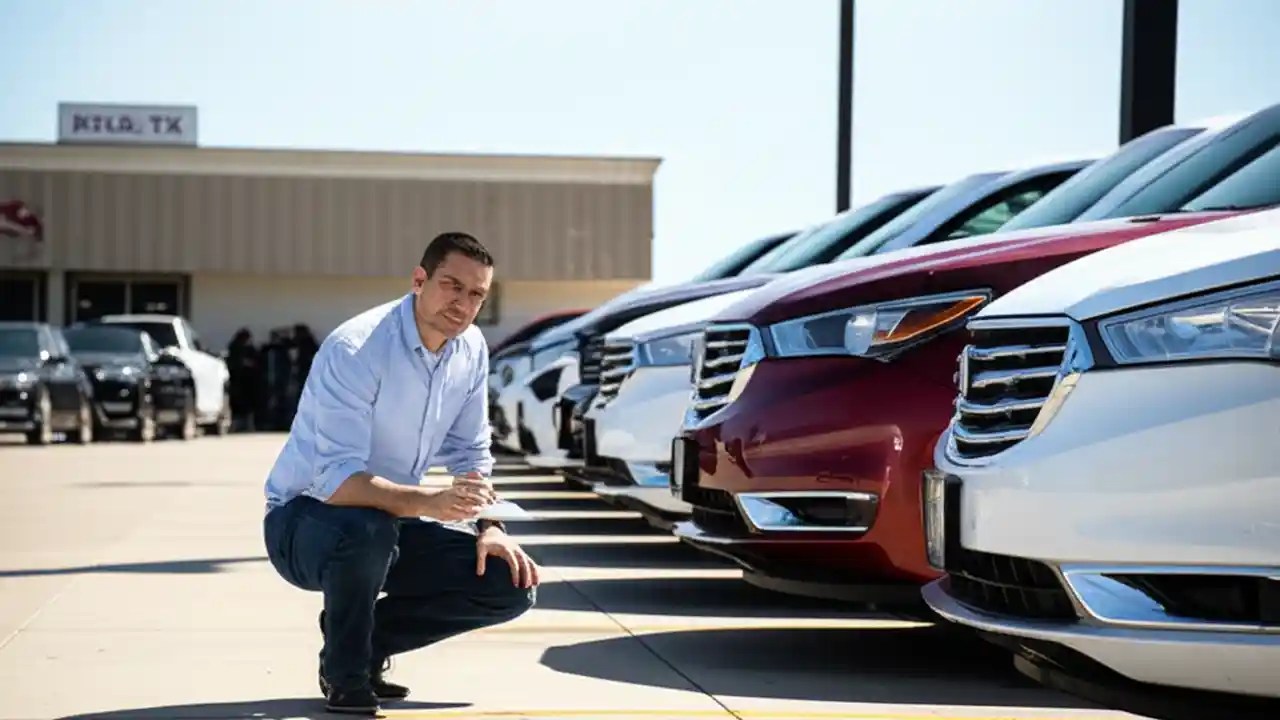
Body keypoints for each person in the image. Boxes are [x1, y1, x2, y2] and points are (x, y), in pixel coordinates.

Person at [262, 232, 539, 715]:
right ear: (419, 279)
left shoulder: (470, 348)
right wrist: (428, 503)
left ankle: (357, 640)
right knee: (365, 530)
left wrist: (490, 525)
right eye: (452, 285)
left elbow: (470, 450)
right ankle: (347, 676)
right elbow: (335, 481)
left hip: (390, 521)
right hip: (304, 522)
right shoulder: (357, 348)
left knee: (508, 582)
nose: (463, 303)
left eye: (476, 294)